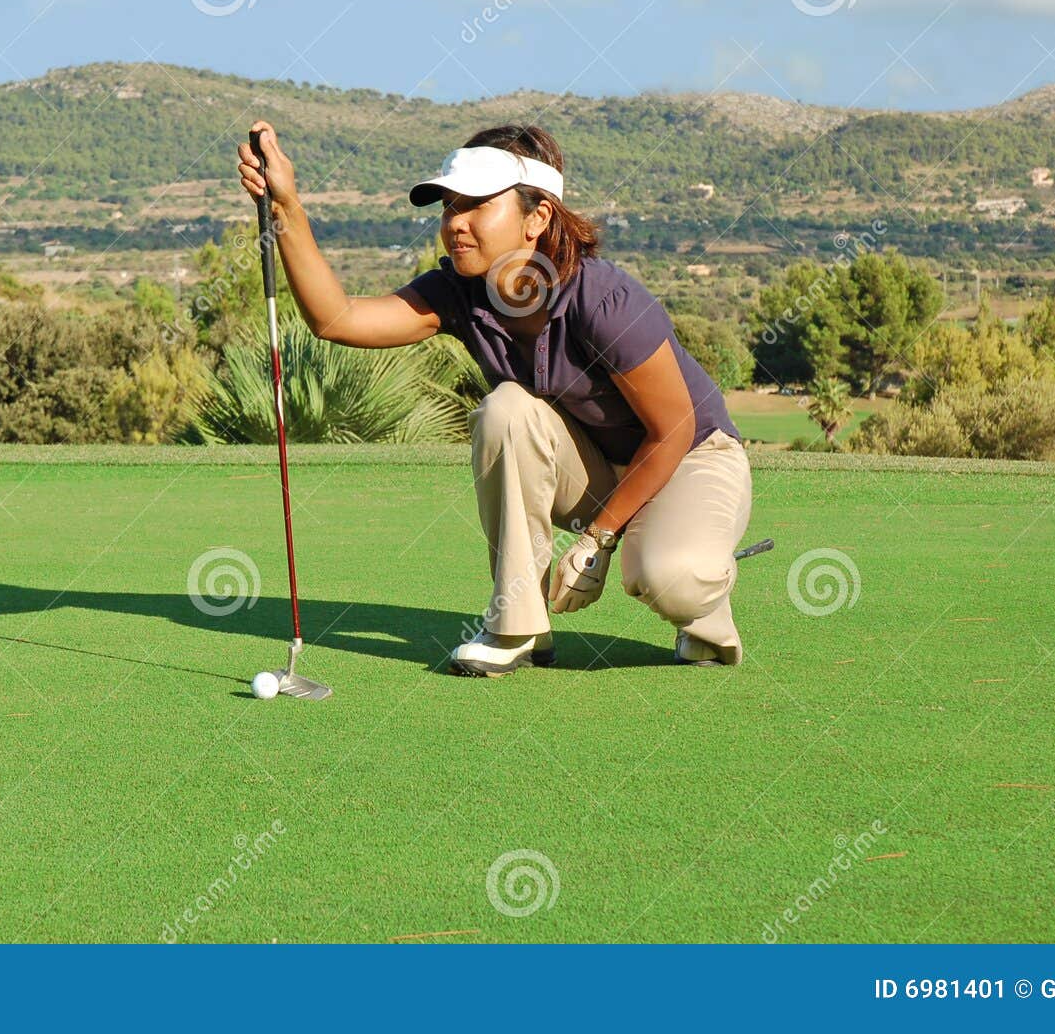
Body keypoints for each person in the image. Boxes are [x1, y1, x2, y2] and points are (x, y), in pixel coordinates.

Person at [235, 120, 752, 677]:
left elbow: (672, 430)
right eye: (449, 207)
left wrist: (598, 540)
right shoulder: (458, 292)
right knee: (506, 408)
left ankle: (705, 603)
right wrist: (286, 206)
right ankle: (517, 626)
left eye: (476, 205)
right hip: (598, 470)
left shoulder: (605, 298)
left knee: (666, 577)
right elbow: (337, 319)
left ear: (538, 217)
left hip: (691, 460)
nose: (455, 223)